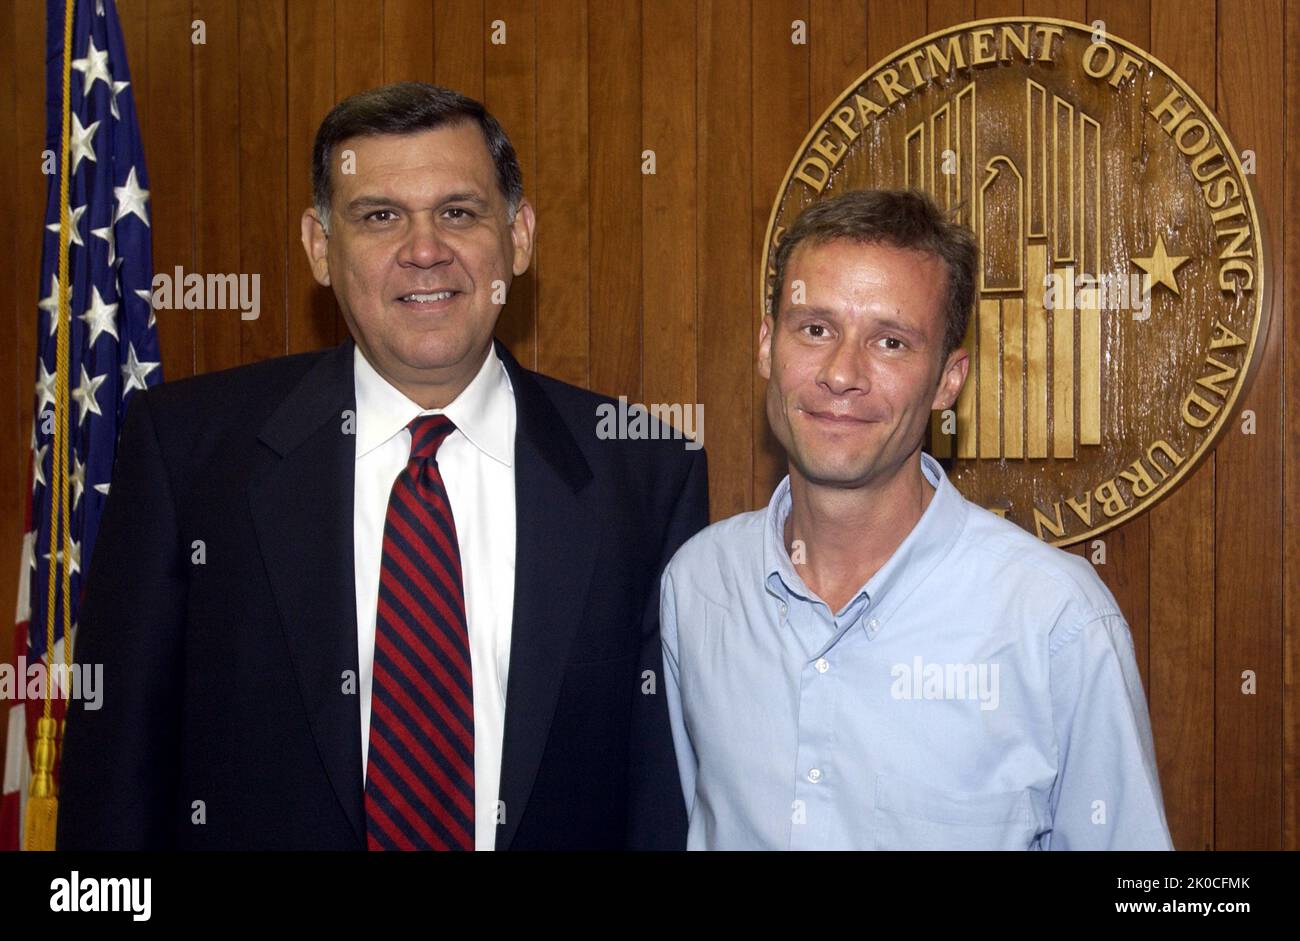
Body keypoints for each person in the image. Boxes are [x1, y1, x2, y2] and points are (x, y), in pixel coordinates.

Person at [58, 82, 708, 850]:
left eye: (459, 212)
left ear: (520, 238)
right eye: (379, 216)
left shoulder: (647, 470)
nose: (424, 249)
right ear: (319, 247)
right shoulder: (189, 453)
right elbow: (114, 789)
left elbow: (661, 800)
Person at [660, 188, 1173, 850]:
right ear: (767, 345)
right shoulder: (699, 587)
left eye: (892, 341)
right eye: (815, 328)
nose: (842, 373)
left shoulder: (1053, 622)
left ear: (947, 381)